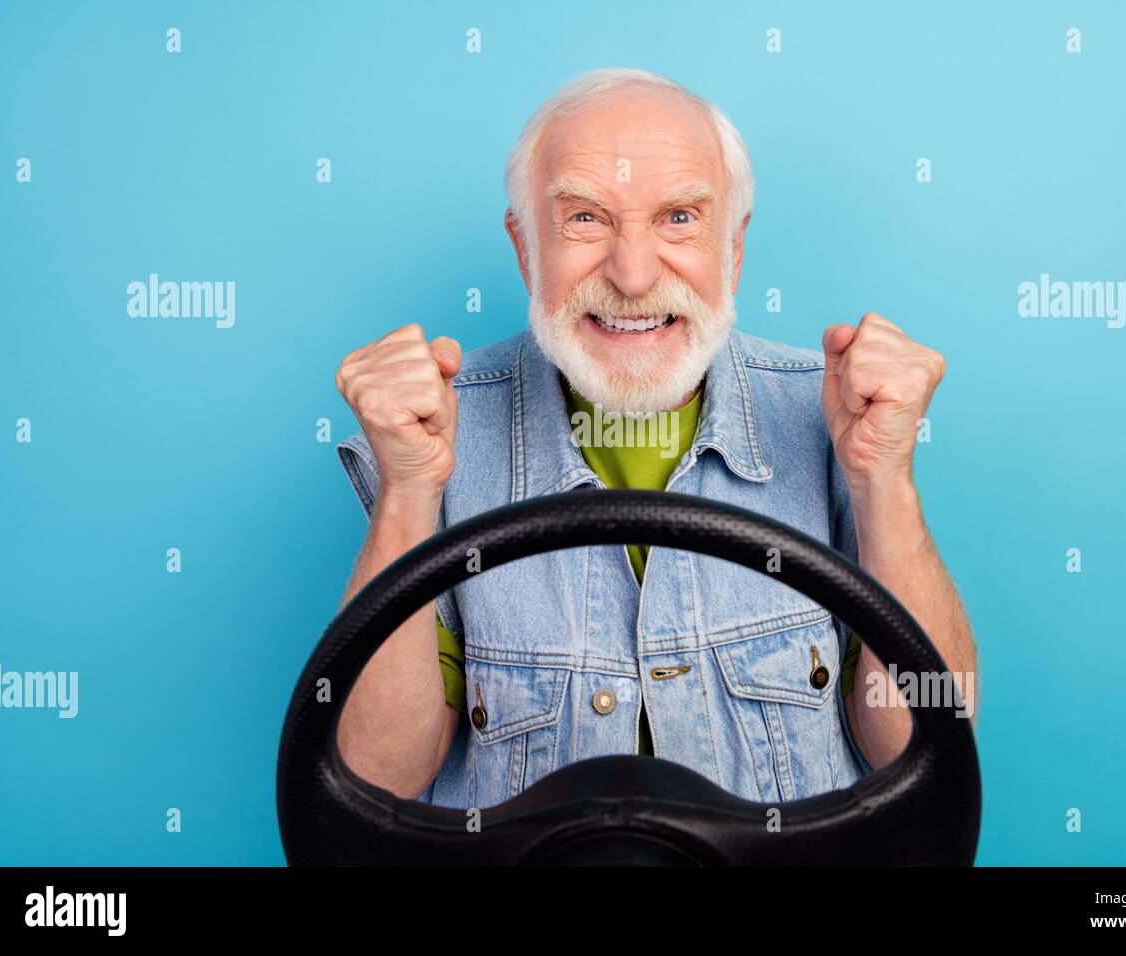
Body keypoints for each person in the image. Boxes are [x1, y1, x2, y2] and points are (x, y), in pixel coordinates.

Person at [332, 68, 976, 809]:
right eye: (584, 219)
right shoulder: (434, 435)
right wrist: (408, 492)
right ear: (524, 249)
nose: (633, 277)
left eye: (679, 218)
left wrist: (882, 481)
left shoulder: (836, 419)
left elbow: (924, 748)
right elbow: (375, 783)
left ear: (733, 249)